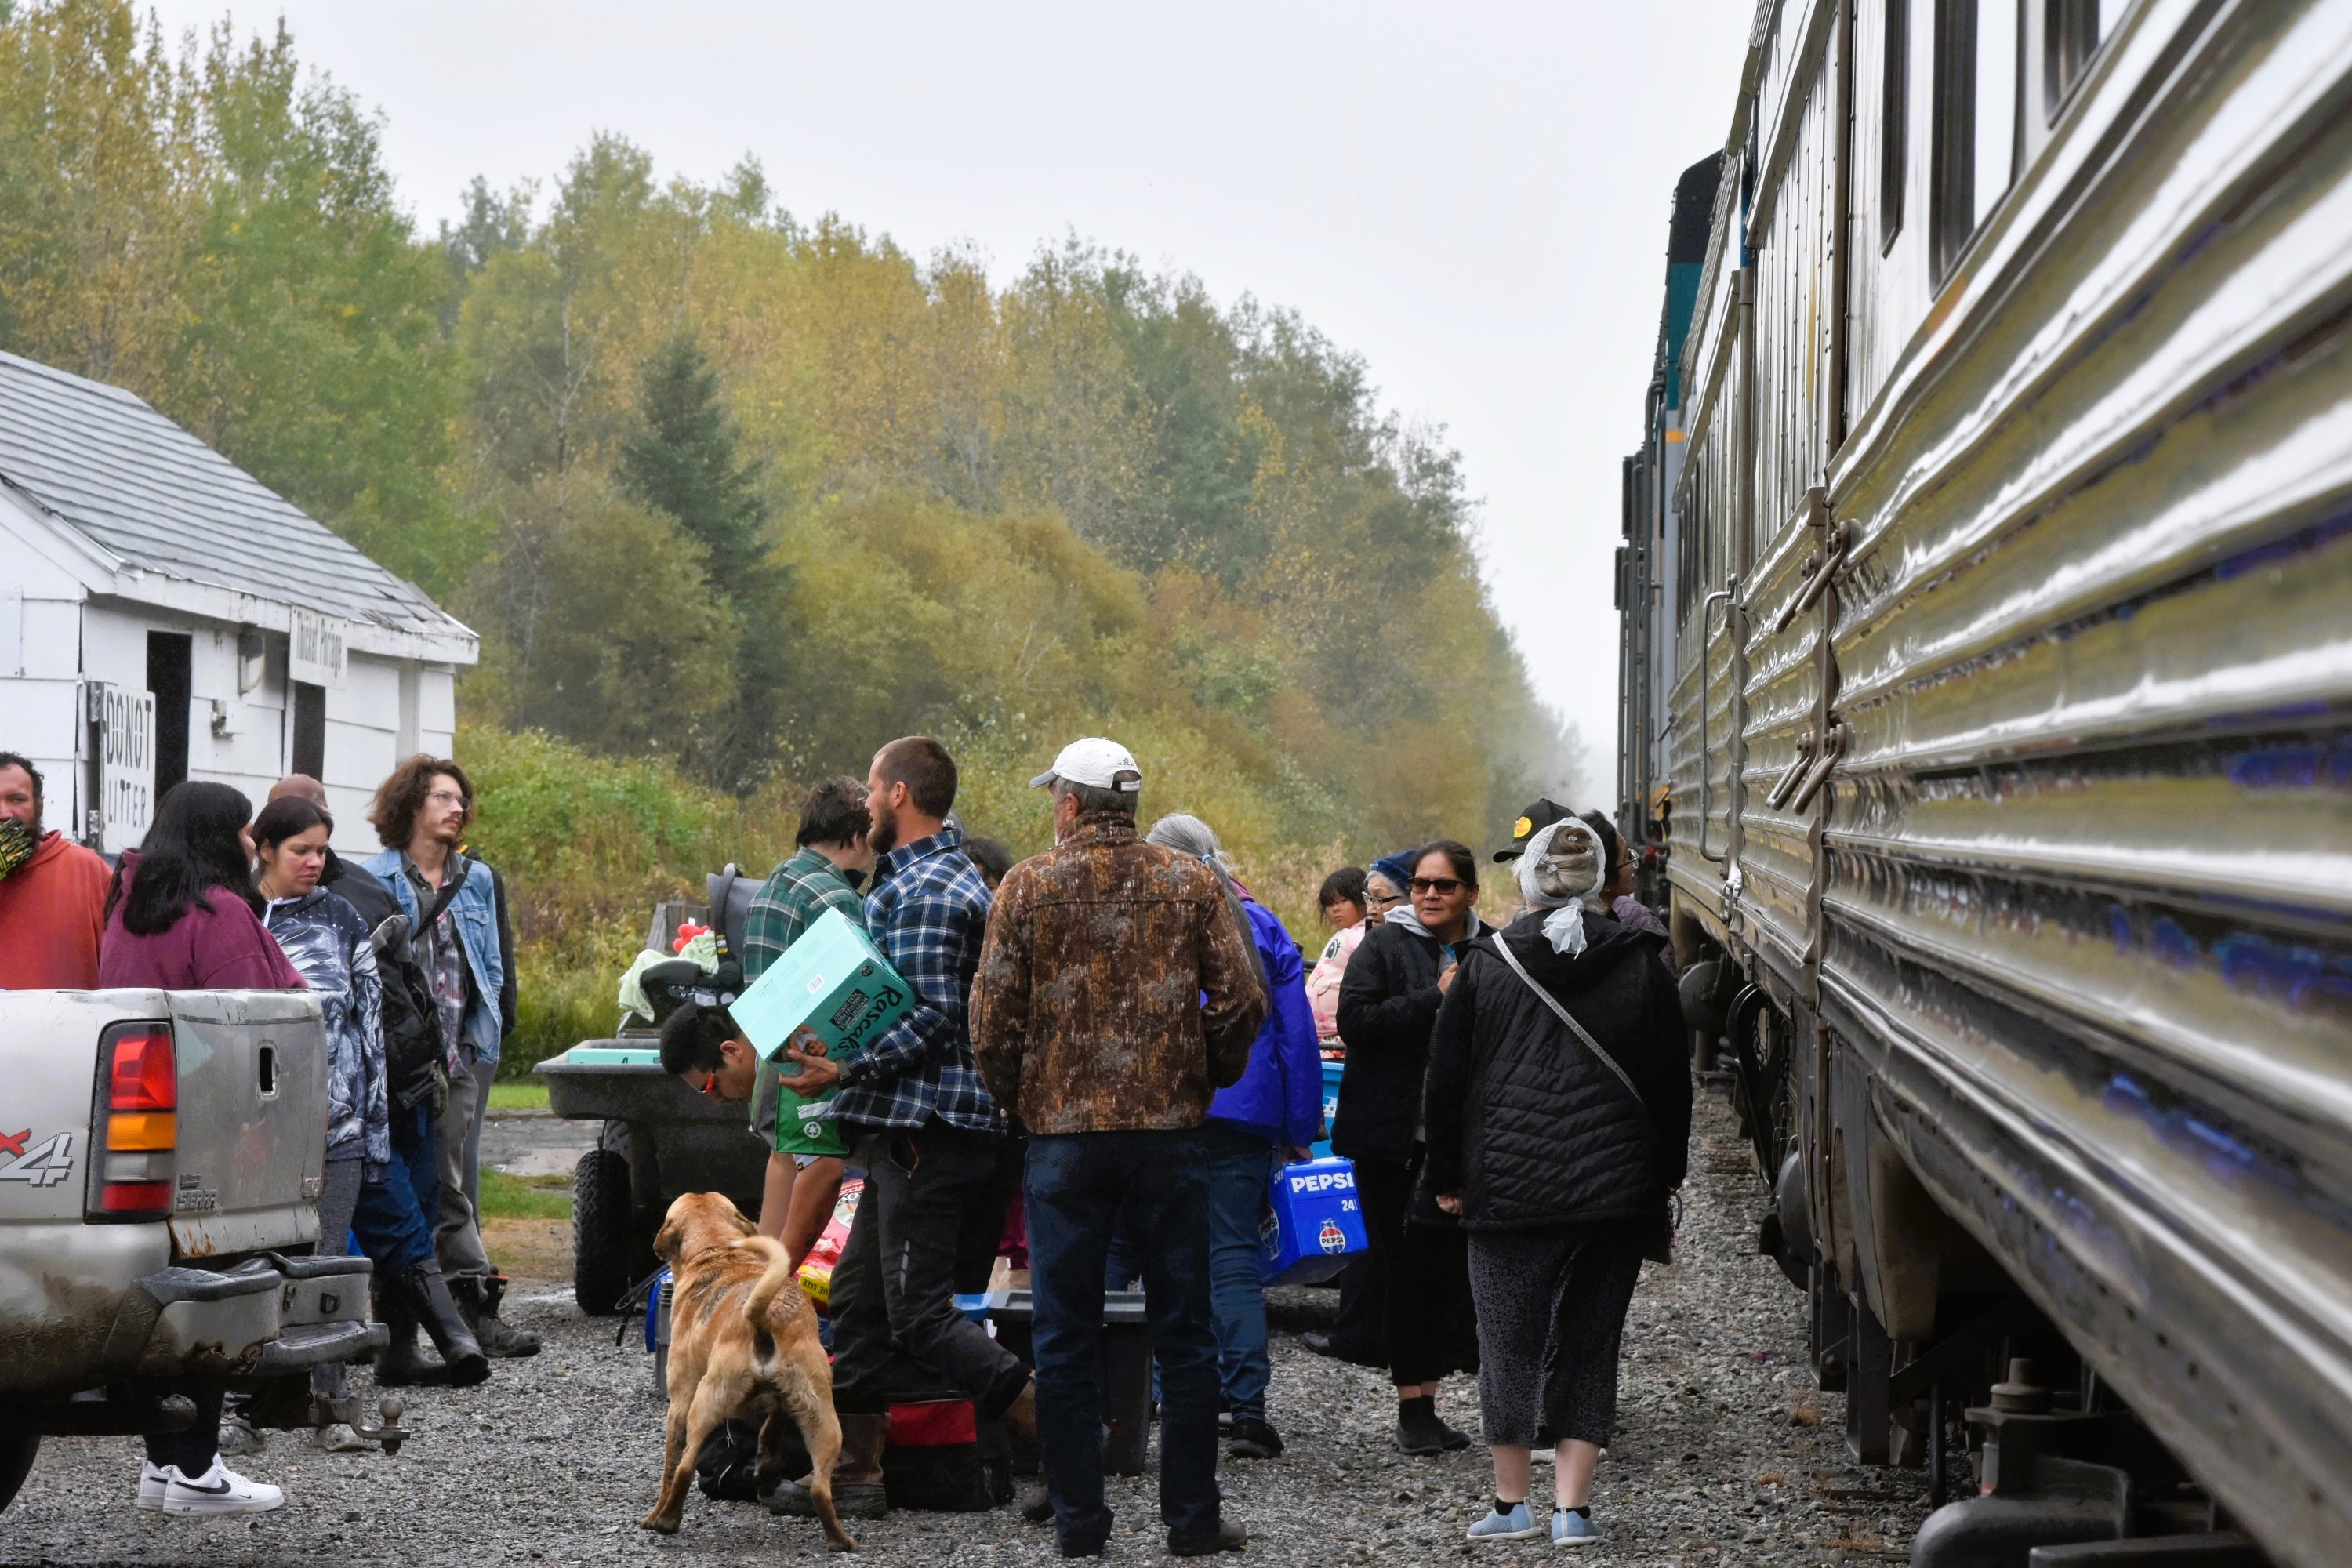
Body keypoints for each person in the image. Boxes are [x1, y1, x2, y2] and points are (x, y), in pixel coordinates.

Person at [969, 740, 1266, 1558]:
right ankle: (1193, 1519)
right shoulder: (1191, 879)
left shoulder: (1025, 885)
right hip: (1168, 1137)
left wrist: (1019, 1098)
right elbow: (1243, 997)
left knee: (1064, 1335)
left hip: (1063, 1140)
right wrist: (1203, 1073)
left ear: (1069, 803)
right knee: (1187, 1331)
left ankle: (1080, 1523)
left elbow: (991, 1021)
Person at [763, 736, 1033, 1526]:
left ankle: (1059, 1430)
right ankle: (856, 1474)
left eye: (874, 789)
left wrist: (841, 1069)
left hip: (928, 1129)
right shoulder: (912, 882)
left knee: (920, 1315)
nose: (866, 804)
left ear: (902, 794)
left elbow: (930, 1017)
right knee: (860, 1302)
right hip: (901, 1127)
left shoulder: (930, 893)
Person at [1426, 818, 1690, 1548]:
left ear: (1530, 879)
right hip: (1614, 1196)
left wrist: (1447, 1177)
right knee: (1590, 1342)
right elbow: (1673, 1086)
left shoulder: (1486, 962)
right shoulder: (1643, 961)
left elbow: (1446, 1083)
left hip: (1508, 1195)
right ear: (1602, 876)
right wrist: (1663, 1176)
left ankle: (1512, 1505)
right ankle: (1573, 1511)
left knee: (1507, 1343)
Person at [252, 794, 488, 1447]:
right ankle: (252, 1403)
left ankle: (331, 1404)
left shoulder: (341, 919)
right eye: (301, 850)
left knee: (326, 1268)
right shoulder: (241, 921)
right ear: (264, 849)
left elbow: (370, 1032)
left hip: (342, 1125)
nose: (314, 862)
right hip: (260, 1130)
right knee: (259, 1264)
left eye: (322, 850)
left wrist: (374, 1123)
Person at [99, 781, 299, 1516]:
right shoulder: (220, 915)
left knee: (161, 1290)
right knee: (218, 1295)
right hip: (215, 1133)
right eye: (246, 831)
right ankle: (199, 1470)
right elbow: (255, 1029)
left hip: (137, 1123)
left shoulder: (126, 904)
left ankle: (162, 1462)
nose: (254, 843)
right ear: (220, 836)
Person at [1123, 813, 1319, 1462]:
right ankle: (1247, 1410)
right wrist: (1299, 1127)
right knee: (1233, 1256)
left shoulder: (1151, 917)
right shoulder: (1259, 923)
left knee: (1163, 1256)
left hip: (1165, 1108)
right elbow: (1295, 1031)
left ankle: (1160, 1394)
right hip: (1244, 1110)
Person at [361, 757, 537, 1358]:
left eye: (459, 798)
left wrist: (484, 1038)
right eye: (441, 797)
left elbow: (490, 961)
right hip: (401, 1059)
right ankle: (436, 1307)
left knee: (453, 1172)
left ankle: (465, 1305)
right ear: (411, 806)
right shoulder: (374, 880)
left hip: (463, 1052)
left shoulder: (477, 880)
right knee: (422, 1177)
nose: (455, 807)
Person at [1334, 839, 1484, 1456]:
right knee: (1404, 1272)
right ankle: (1412, 1409)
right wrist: (1435, 998)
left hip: (1461, 1141)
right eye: (1421, 884)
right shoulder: (1385, 944)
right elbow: (1356, 1023)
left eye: (1444, 886)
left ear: (1470, 893)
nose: (1428, 895)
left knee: (1447, 1274)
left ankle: (1432, 1397)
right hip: (1391, 1141)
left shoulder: (1489, 947)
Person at [739, 776, 873, 1265]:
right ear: (857, 838)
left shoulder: (776, 880)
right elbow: (855, 993)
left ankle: (754, 1301)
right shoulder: (835, 898)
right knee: (821, 1174)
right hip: (809, 1068)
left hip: (772, 1064)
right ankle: (771, 1295)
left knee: (779, 1178)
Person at [0, 750, 110, 989]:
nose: (4, 813)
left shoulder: (86, 870)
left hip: (72, 1023)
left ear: (39, 806)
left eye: (17, 799)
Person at [1306, 866, 1369, 1044]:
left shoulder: (1362, 935)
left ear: (1363, 899)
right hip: (1324, 1035)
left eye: (1342, 901)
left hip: (1339, 1036)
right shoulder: (1348, 933)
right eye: (1330, 904)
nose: (1335, 909)